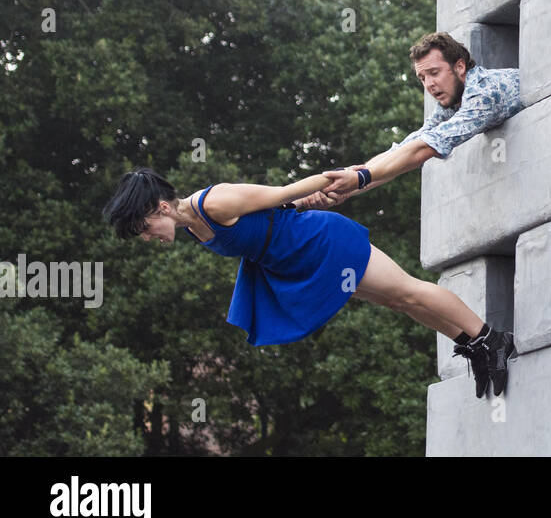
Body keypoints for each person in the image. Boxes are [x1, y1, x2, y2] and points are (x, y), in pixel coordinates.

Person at [103, 166, 513, 398]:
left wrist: (358, 177)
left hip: (322, 243)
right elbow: (276, 208)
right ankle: (473, 345)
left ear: (160, 207)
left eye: (144, 227)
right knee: (400, 304)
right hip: (302, 261)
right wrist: (297, 203)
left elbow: (286, 190)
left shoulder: (214, 202)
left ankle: (491, 338)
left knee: (407, 290)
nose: (147, 236)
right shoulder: (194, 227)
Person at [304, 32, 523, 206]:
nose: (428, 84)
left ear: (460, 66)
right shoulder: (452, 103)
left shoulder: (484, 93)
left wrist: (360, 180)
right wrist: (349, 187)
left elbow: (423, 149)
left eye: (434, 73)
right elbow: (404, 149)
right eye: (422, 78)